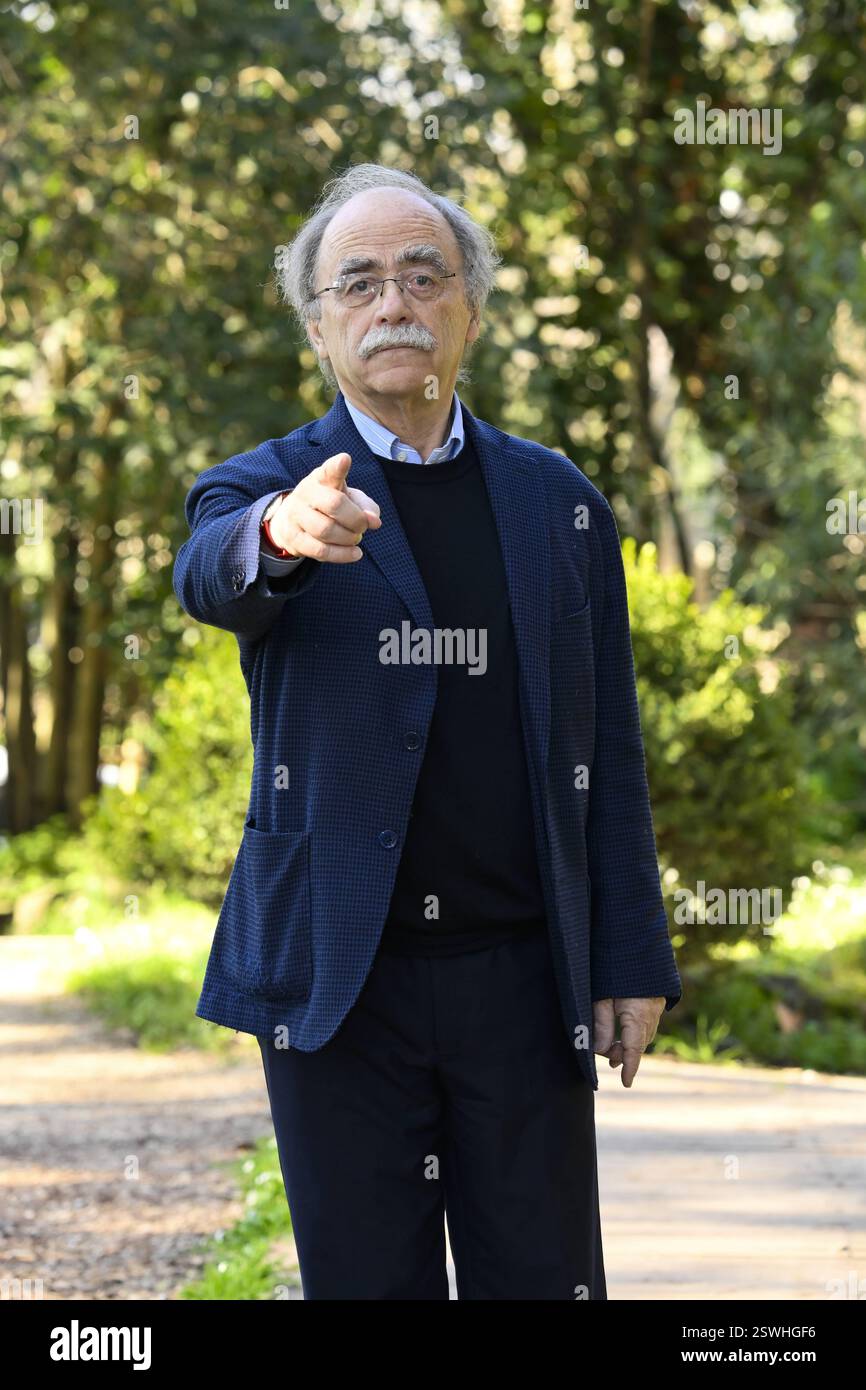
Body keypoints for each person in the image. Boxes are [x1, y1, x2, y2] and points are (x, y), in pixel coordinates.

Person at [172, 163, 682, 1300]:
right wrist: (282, 532)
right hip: (337, 989)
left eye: (421, 274)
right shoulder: (259, 487)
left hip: (520, 979)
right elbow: (212, 572)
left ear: (469, 308)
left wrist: (629, 954)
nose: (392, 302)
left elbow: (609, 747)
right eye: (357, 282)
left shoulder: (559, 503)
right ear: (319, 325)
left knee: (543, 1283)